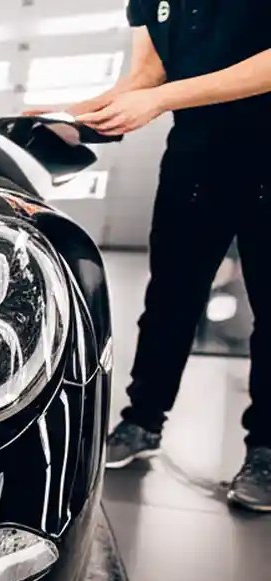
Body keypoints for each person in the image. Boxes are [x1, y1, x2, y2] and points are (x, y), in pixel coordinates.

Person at [36, 1, 271, 511]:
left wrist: (161, 100)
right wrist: (71, 116)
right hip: (195, 158)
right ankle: (142, 421)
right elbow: (147, 76)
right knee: (170, 299)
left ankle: (266, 451)